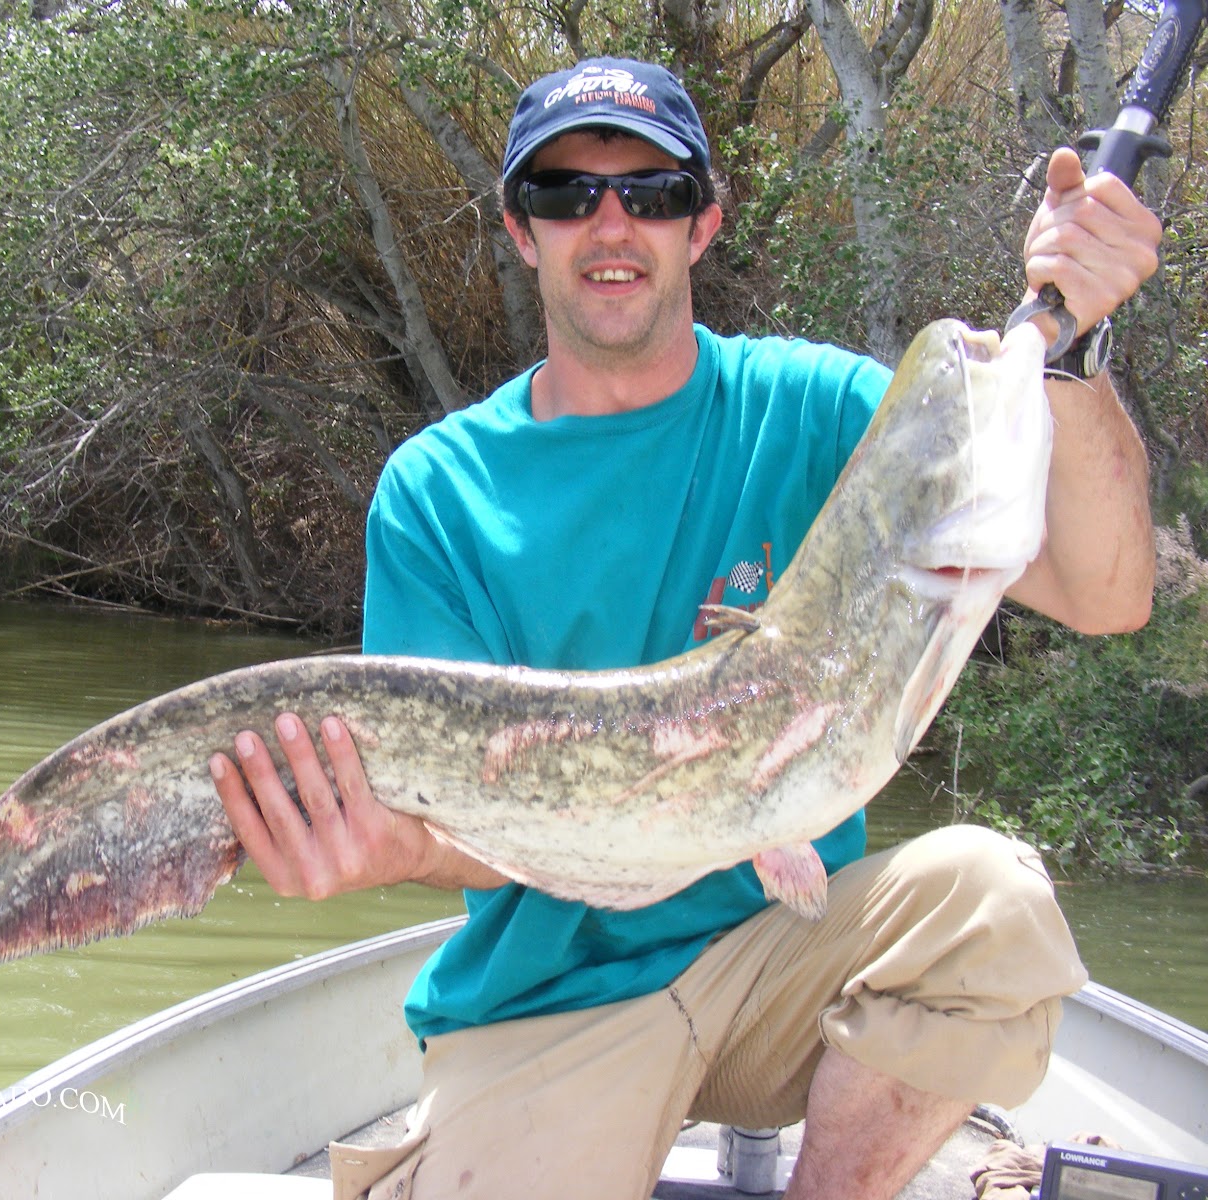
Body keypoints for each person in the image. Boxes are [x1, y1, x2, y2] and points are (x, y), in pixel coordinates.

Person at [207, 57, 1162, 1200]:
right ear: (523, 230)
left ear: (701, 224)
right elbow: (444, 819)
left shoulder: (814, 410)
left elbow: (1108, 596)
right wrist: (385, 845)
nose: (611, 224)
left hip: (779, 962)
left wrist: (1070, 351)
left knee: (991, 903)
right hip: (548, 997)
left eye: (650, 192)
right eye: (567, 194)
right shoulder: (438, 491)